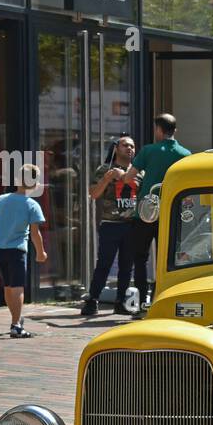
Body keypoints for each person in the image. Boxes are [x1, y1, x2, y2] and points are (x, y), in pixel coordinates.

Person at [122, 114, 190, 314]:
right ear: (174, 130)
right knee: (167, 259)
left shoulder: (149, 151)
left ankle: (143, 302)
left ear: (159, 129)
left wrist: (131, 178)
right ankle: (163, 299)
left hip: (145, 212)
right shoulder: (185, 154)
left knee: (140, 257)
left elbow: (128, 178)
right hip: (171, 213)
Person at [81, 135, 139, 317]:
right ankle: (92, 300)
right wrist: (106, 180)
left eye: (132, 146)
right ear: (116, 148)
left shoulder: (139, 171)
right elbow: (93, 194)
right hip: (110, 224)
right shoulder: (105, 169)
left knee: (127, 266)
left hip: (131, 225)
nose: (129, 148)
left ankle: (121, 301)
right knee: (104, 264)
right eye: (125, 145)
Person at [0, 178, 47, 338]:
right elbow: (35, 233)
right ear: (35, 184)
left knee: (8, 286)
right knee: (17, 287)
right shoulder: (32, 205)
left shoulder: (2, 199)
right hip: (17, 250)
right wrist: (41, 252)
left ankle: (15, 319)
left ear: (18, 180)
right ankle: (16, 325)